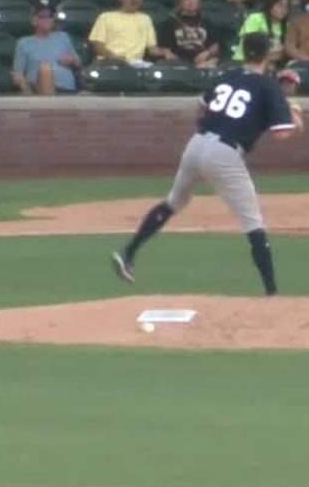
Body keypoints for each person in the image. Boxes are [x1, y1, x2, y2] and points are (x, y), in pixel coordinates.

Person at [111, 32, 298, 295]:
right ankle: (273, 294)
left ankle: (128, 253)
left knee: (173, 202)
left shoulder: (228, 75)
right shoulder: (268, 85)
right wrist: (294, 116)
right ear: (268, 54)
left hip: (197, 143)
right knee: (253, 223)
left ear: (245, 52)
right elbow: (282, 133)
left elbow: (202, 107)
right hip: (225, 153)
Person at [89, 0, 167, 65]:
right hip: (109, 62)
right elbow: (97, 45)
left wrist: (165, 52)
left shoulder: (146, 19)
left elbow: (153, 49)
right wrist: (113, 56)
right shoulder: (105, 17)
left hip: (135, 64)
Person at [13, 0, 82, 94]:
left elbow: (78, 63)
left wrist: (72, 60)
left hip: (66, 89)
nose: (47, 20)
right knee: (45, 68)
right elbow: (18, 74)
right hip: (38, 90)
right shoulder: (24, 42)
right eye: (43, 17)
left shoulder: (63, 37)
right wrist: (27, 91)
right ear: (34, 20)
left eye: (50, 16)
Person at [158, 0, 224, 68]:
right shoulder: (170, 23)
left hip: (204, 62)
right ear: (180, 2)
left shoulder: (207, 23)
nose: (191, 1)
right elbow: (165, 49)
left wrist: (207, 53)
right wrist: (173, 58)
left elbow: (215, 46)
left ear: (199, 1)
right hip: (179, 64)